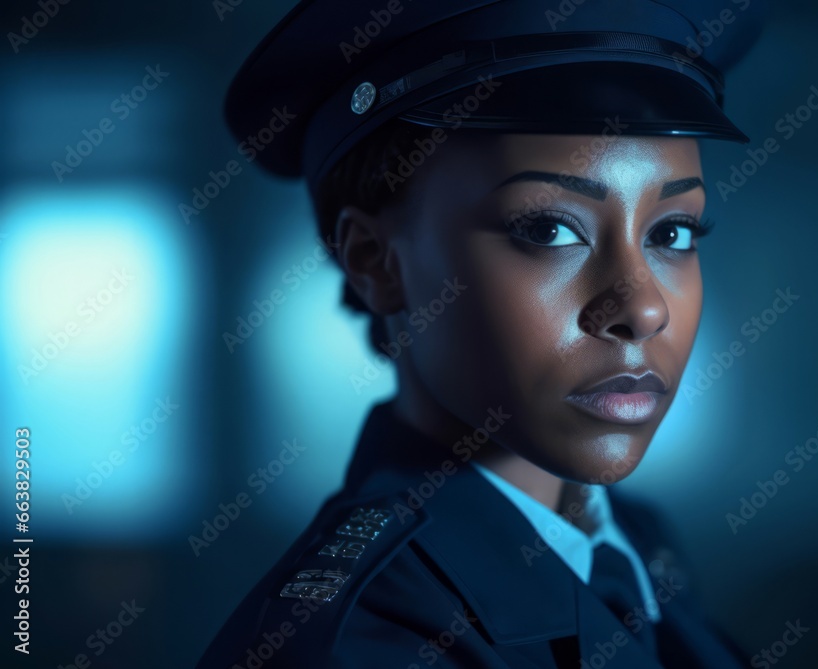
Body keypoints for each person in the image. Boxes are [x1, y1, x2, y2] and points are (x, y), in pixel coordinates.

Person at [198, 1, 766, 667]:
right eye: (549, 228)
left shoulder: (635, 546)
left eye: (671, 232)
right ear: (375, 261)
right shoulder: (363, 646)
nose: (642, 309)